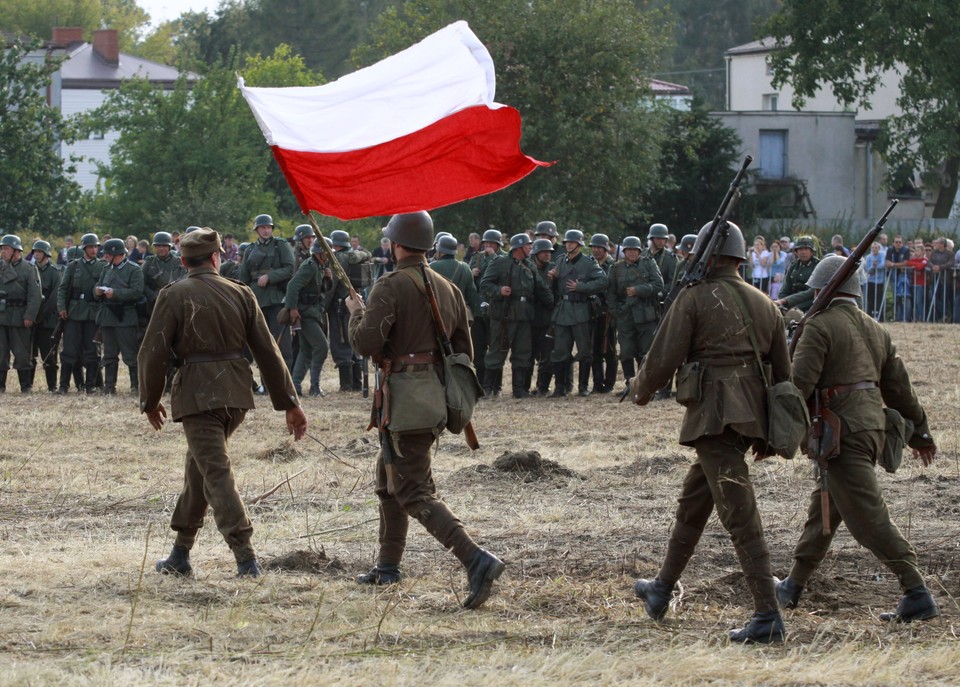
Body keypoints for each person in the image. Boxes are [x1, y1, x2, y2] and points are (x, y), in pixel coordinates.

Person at [627, 221, 789, 644]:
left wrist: (640, 390)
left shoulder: (694, 298)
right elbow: (784, 377)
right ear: (739, 258)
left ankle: (767, 615)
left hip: (714, 417)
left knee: (739, 513)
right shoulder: (765, 304)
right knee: (695, 501)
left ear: (708, 257)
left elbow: (664, 356)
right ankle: (662, 588)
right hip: (749, 418)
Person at [346, 211, 505, 609]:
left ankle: (475, 559)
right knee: (389, 482)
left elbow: (366, 343)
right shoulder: (448, 287)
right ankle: (387, 568)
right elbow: (465, 349)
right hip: (433, 397)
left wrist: (356, 312)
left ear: (396, 244)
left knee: (414, 491)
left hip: (403, 399)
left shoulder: (391, 285)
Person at [775, 255, 939, 623]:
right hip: (869, 430)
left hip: (840, 434)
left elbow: (798, 387)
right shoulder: (876, 328)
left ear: (822, 289)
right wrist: (921, 433)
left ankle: (917, 592)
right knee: (825, 515)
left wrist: (775, 437)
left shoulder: (818, 326)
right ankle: (793, 585)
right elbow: (900, 390)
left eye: (815, 289)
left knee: (868, 520)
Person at [140, 228, 307, 579]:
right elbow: (268, 350)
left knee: (215, 471)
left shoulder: (173, 294)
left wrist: (150, 400)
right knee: (199, 467)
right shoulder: (242, 293)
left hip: (198, 395)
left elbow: (152, 352)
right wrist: (289, 402)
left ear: (183, 262)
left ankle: (245, 557)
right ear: (217, 258)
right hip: (236, 395)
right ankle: (180, 553)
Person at [479, 232, 553, 398]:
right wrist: (499, 291)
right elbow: (485, 284)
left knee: (523, 353)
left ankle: (518, 389)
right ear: (519, 246)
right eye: (528, 245)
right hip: (503, 315)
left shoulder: (530, 265)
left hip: (524, 316)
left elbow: (541, 288)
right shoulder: (499, 263)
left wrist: (553, 304)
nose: (531, 248)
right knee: (497, 352)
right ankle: (487, 388)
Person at [547, 229, 608, 397]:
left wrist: (581, 287)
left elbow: (603, 281)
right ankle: (560, 387)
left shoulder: (588, 263)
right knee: (560, 351)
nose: (568, 245)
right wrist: (552, 277)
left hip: (581, 310)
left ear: (579, 244)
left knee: (584, 351)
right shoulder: (560, 260)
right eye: (567, 242)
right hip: (563, 310)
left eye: (572, 242)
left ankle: (583, 387)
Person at [239, 214, 295, 371]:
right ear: (257, 230)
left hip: (276, 299)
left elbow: (290, 268)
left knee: (281, 343)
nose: (266, 230)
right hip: (256, 301)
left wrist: (269, 277)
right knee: (260, 343)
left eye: (268, 227)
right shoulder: (250, 249)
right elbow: (244, 278)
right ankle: (265, 381)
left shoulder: (280, 245)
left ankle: (286, 379)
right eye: (263, 227)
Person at [607, 235, 663, 388]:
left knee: (645, 352)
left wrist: (638, 290)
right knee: (626, 352)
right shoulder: (616, 268)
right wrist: (615, 311)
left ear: (640, 251)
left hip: (646, 314)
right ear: (624, 251)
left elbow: (658, 284)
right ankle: (629, 384)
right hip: (625, 315)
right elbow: (611, 291)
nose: (632, 253)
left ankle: (644, 384)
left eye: (635, 250)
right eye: (629, 250)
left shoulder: (649, 263)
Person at [93, 238, 144, 394]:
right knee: (109, 355)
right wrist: (97, 292)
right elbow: (98, 286)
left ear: (116, 254)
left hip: (125, 317)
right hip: (108, 317)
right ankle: (109, 387)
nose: (105, 257)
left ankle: (136, 386)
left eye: (108, 254)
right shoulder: (106, 269)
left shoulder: (134, 270)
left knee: (130, 355)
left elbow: (137, 292)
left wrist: (115, 294)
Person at [56, 233, 106, 394]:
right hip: (74, 312)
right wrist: (62, 307)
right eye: (90, 247)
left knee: (92, 351)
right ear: (84, 248)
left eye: (95, 247)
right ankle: (63, 386)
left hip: (92, 313)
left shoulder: (102, 267)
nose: (93, 250)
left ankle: (90, 386)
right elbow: (63, 289)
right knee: (69, 351)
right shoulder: (73, 266)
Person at [285, 237, 330, 397]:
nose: (329, 255)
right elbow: (292, 286)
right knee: (322, 347)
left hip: (313, 311)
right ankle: (315, 387)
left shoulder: (320, 266)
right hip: (306, 313)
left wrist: (328, 279)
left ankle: (294, 385)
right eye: (327, 252)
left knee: (306, 350)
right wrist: (293, 309)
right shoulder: (310, 266)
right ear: (319, 253)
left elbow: (322, 290)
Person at [328, 229, 371, 392]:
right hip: (356, 304)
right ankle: (357, 383)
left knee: (341, 344)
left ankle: (346, 385)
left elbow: (331, 286)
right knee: (354, 340)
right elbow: (367, 253)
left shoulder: (338, 259)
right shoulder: (357, 255)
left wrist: (324, 305)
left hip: (340, 307)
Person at [0, 234, 42, 393]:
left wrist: (30, 315)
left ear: (16, 251)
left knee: (22, 353)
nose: (3, 252)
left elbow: (35, 295)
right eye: (2, 249)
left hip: (20, 316)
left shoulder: (28, 269)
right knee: (0, 352)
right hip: (2, 315)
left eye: (6, 249)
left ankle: (25, 386)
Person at [469, 229, 505, 387]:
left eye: (492, 244)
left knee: (496, 348)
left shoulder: (503, 258)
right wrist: (472, 273)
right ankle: (481, 384)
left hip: (496, 309)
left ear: (498, 245)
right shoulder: (476, 258)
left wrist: (492, 258)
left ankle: (495, 385)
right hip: (479, 310)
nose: (488, 246)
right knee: (478, 347)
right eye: (487, 243)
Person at [29, 240, 63, 392]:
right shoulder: (30, 269)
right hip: (31, 319)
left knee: (49, 355)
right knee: (29, 355)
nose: (36, 254)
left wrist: (39, 315)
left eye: (39, 252)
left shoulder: (55, 273)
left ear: (46, 254)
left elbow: (54, 299)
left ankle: (52, 386)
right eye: (35, 251)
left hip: (48, 320)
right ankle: (27, 385)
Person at [527, 238, 558, 395]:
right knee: (528, 355)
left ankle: (543, 387)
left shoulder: (554, 270)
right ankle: (524, 387)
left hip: (548, 318)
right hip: (530, 318)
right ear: (536, 253)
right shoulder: (527, 268)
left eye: (549, 252)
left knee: (547, 355)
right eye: (544, 252)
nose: (547, 255)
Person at [588, 233, 618, 394]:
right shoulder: (590, 264)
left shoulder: (613, 266)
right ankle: (597, 383)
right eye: (594, 247)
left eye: (599, 247)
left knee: (610, 348)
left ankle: (609, 383)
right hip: (593, 312)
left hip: (608, 312)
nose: (596, 250)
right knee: (594, 349)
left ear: (606, 249)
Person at [141, 232, 186, 318]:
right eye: (158, 246)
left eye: (164, 246)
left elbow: (185, 282)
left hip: (175, 303)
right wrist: (153, 296)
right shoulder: (149, 262)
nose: (161, 249)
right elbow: (141, 283)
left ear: (169, 247)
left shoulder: (178, 262)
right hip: (154, 304)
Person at [775, 236, 819, 313]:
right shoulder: (794, 266)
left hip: (810, 304)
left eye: (806, 249)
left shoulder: (818, 265)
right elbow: (785, 289)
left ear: (812, 251)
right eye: (801, 249)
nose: (803, 252)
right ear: (796, 252)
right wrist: (782, 303)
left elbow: (812, 292)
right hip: (791, 303)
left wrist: (786, 301)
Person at [884, 236, 912, 321]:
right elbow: (887, 263)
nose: (898, 244)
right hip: (893, 277)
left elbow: (905, 263)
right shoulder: (890, 250)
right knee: (896, 298)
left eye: (900, 242)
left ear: (902, 243)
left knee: (906, 297)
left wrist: (893, 265)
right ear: (893, 243)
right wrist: (897, 265)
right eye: (896, 242)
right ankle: (898, 318)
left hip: (904, 277)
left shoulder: (906, 250)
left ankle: (906, 318)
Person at [863, 241, 887, 320]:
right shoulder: (868, 257)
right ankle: (870, 315)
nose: (874, 249)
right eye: (873, 248)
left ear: (879, 249)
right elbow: (867, 269)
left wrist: (877, 266)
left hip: (879, 281)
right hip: (870, 280)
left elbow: (883, 265)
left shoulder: (882, 255)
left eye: (876, 248)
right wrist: (873, 267)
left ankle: (880, 316)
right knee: (870, 298)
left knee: (879, 298)